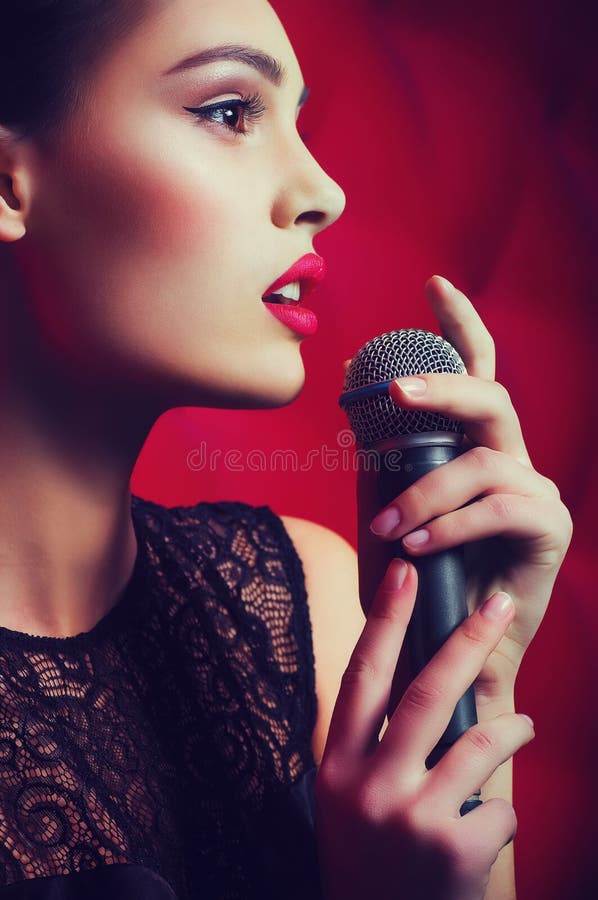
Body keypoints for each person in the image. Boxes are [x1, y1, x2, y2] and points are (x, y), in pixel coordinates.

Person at [0, 1, 572, 899]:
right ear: (7, 183)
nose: (322, 192)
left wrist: (467, 667)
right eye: (229, 112)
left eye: (297, 120)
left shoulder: (308, 606)